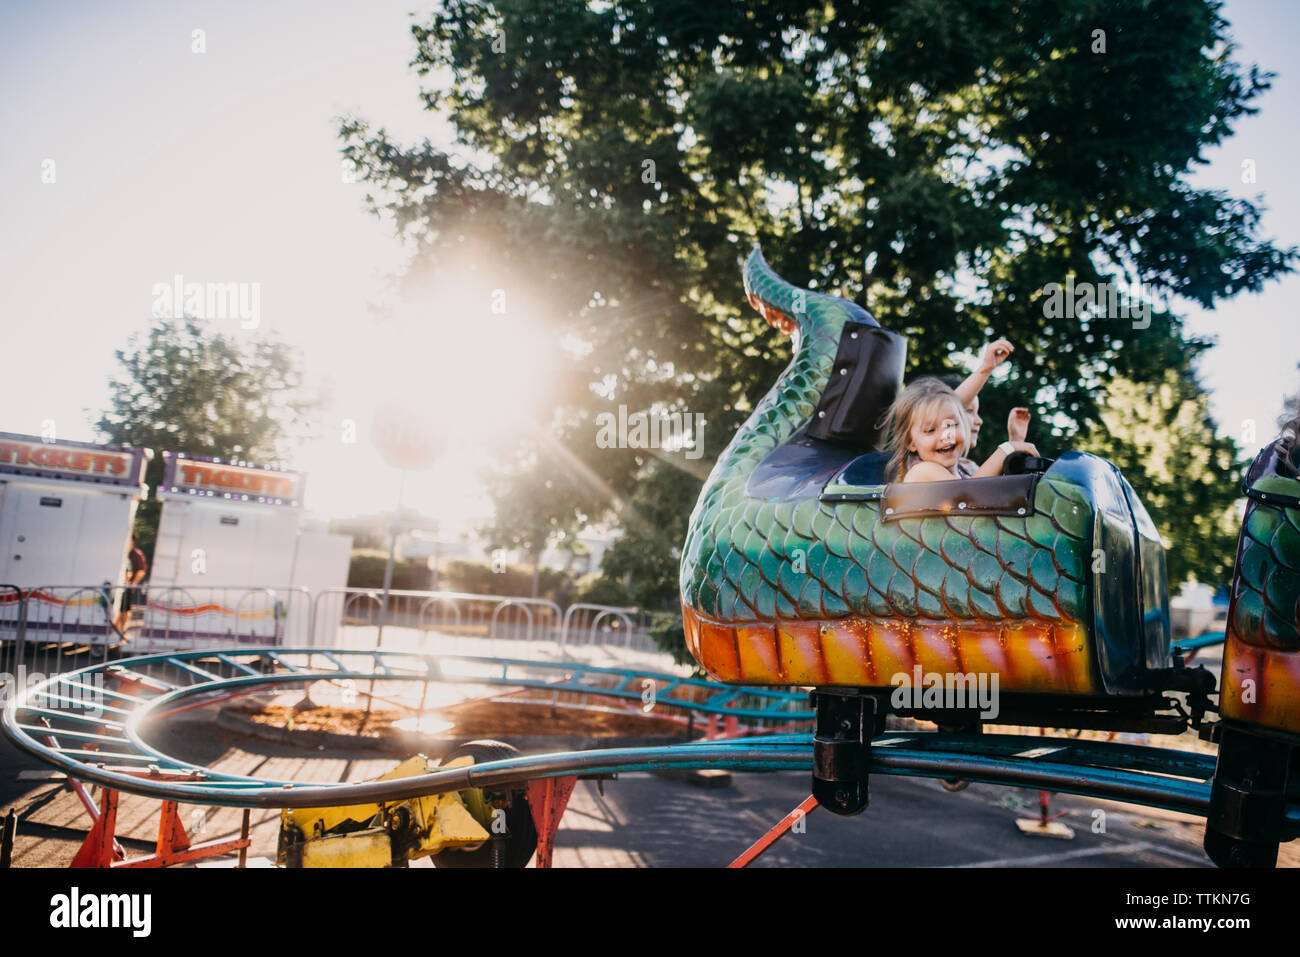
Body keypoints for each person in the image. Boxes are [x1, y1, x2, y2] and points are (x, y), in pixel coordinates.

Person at [883, 377, 1039, 484]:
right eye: (930, 430)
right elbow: (969, 496)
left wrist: (1016, 442)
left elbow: (997, 492)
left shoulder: (964, 471)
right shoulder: (922, 471)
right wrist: (1006, 449)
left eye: (951, 425)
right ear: (910, 443)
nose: (946, 436)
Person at [939, 337, 1032, 472]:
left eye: (977, 412)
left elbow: (1002, 486)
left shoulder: (969, 468)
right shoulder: (924, 467)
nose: (979, 421)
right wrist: (986, 368)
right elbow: (948, 409)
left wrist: (1016, 440)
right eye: (969, 410)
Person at [114, 534, 148, 634]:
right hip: (121, 586)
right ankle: (116, 630)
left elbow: (141, 570)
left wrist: (133, 583)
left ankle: (121, 630)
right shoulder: (123, 553)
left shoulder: (136, 554)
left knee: (125, 610)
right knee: (119, 609)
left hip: (127, 586)